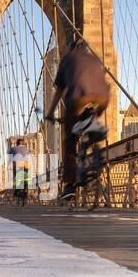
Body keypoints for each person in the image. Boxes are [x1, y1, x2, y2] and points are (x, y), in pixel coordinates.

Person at [45, 35, 110, 201]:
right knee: (90, 119)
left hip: (79, 99)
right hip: (103, 98)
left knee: (70, 142)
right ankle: (93, 135)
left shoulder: (67, 60)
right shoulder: (94, 58)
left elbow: (59, 91)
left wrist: (51, 113)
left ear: (69, 49)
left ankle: (69, 185)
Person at [11, 137, 31, 205]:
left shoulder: (13, 149)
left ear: (17, 143)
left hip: (18, 166)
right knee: (25, 182)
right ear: (23, 143)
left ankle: (16, 197)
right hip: (26, 166)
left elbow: (10, 159)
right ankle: (25, 195)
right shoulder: (27, 149)